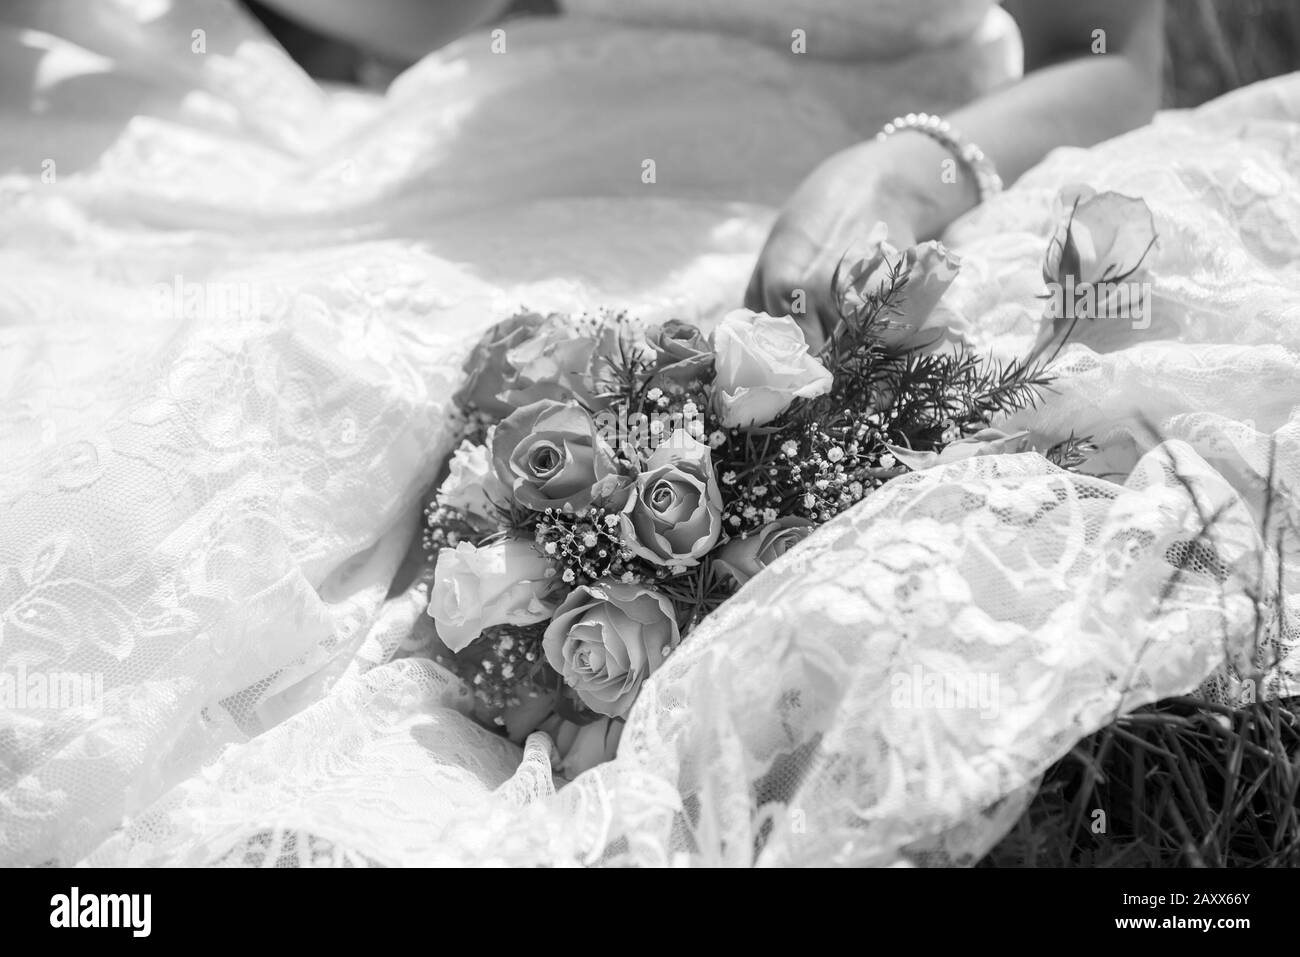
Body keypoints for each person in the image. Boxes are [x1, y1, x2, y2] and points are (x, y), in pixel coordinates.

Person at [0, 0, 1297, 867]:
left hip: (831, 155)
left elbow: (1111, 44)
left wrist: (907, 172)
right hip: (545, 135)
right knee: (272, 359)